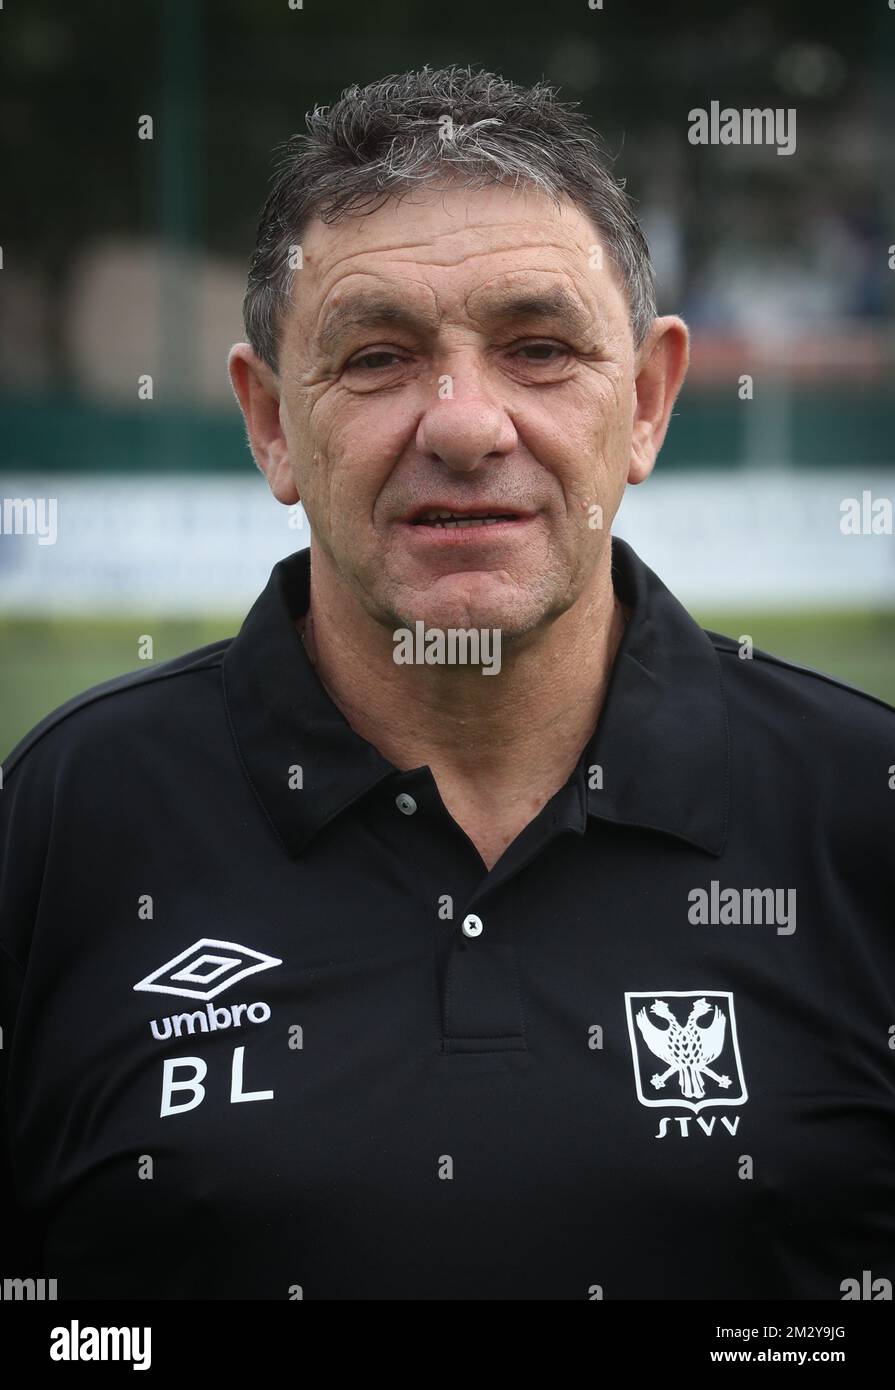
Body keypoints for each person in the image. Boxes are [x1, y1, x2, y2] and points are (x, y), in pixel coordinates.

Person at [1, 65, 892, 1301]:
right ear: (269, 422)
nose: (465, 425)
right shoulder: (64, 819)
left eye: (537, 349)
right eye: (376, 357)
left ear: (644, 402)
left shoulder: (859, 805)